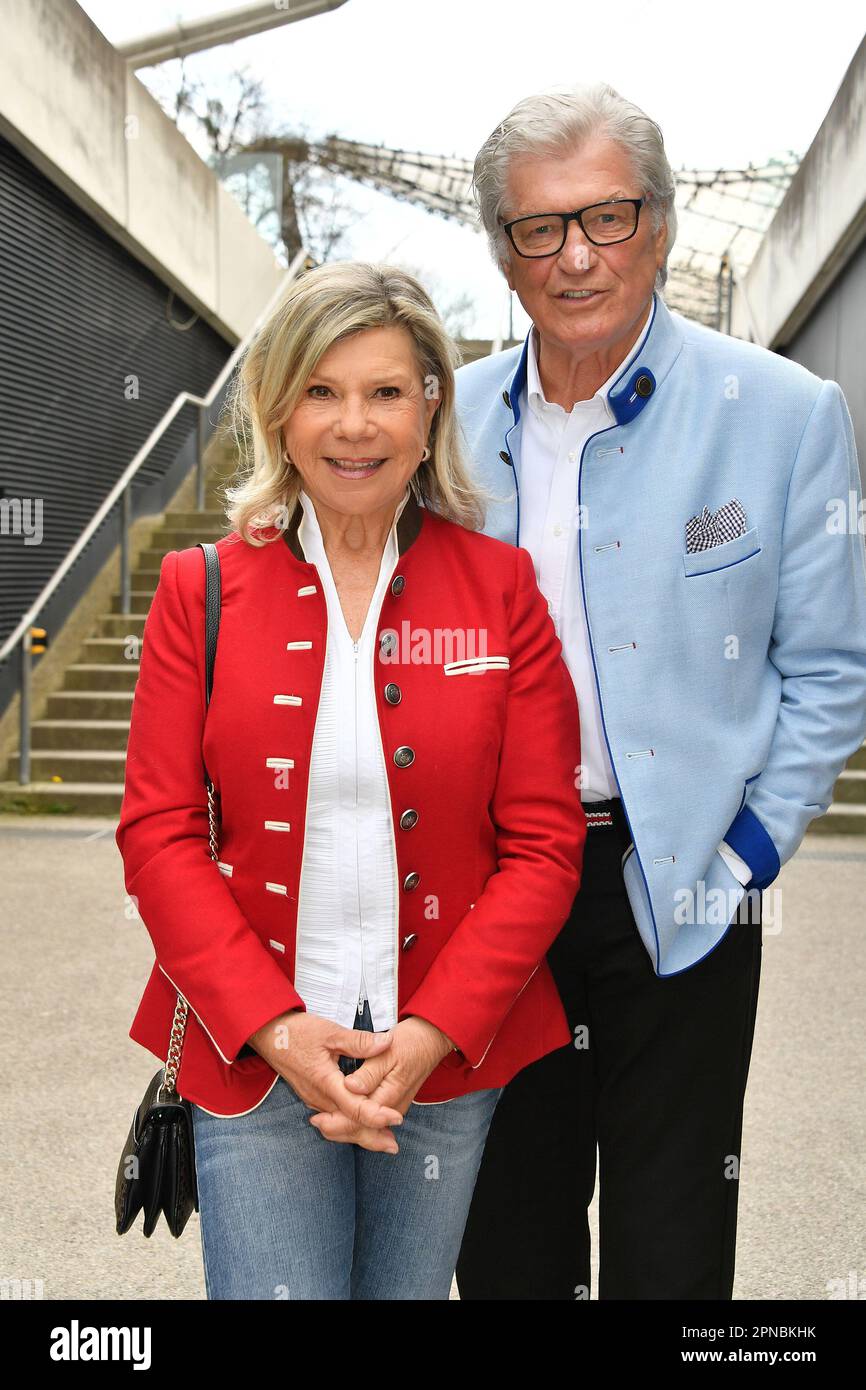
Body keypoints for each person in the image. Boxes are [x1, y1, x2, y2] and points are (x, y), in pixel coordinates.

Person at [453, 82, 866, 1300]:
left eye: (608, 216)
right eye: (539, 227)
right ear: (504, 255)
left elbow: (831, 670)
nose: (576, 254)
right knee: (509, 1249)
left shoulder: (785, 416)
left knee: (671, 1253)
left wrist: (741, 854)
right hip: (492, 895)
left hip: (685, 879)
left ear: (663, 225)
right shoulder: (440, 418)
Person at [115, 260, 585, 1300]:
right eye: (320, 392)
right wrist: (276, 1029)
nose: (353, 426)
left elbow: (546, 843)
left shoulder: (502, 590)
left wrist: (429, 1034)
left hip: (444, 1057)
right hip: (256, 1054)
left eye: (384, 391)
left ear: (430, 408)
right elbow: (157, 834)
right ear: (278, 411)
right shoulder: (200, 593)